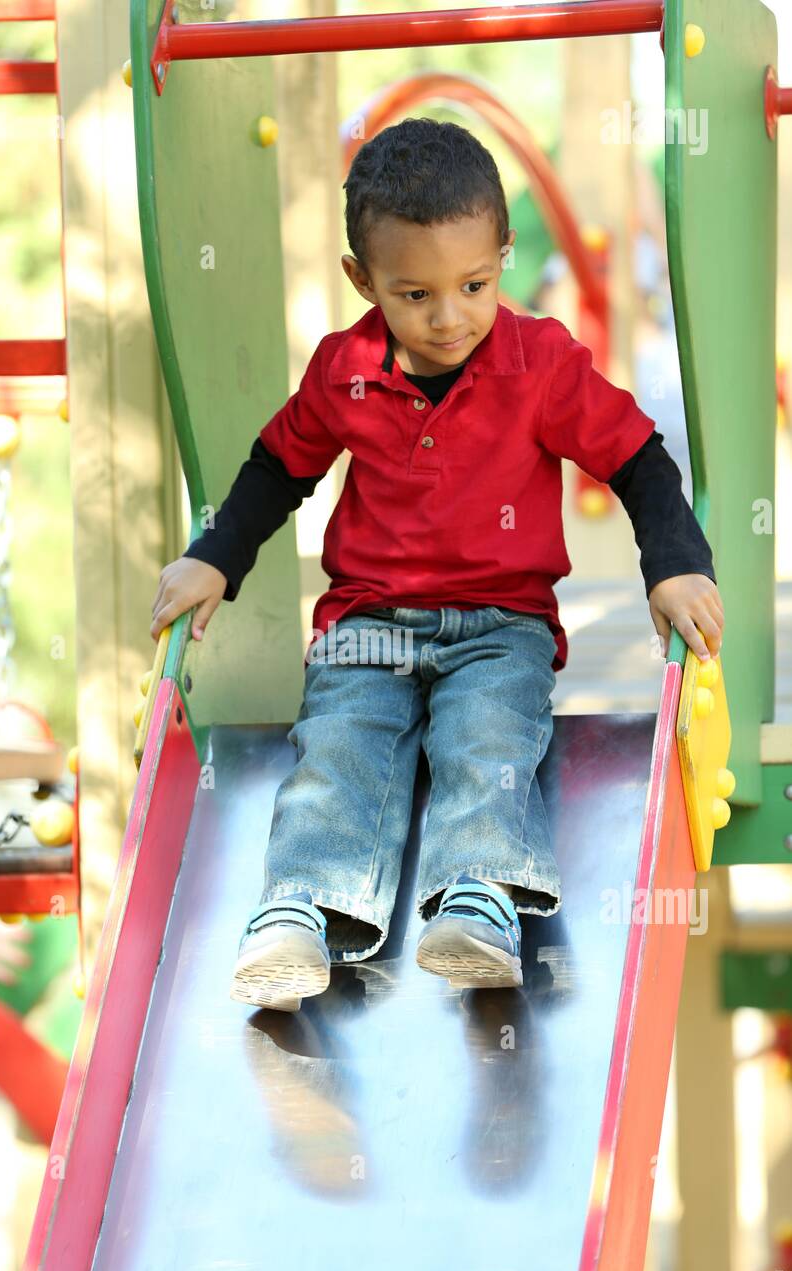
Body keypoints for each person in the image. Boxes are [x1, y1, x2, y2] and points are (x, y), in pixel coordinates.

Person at [149, 118, 724, 1012]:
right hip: (368, 620)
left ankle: (478, 899)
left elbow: (637, 457)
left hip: (502, 625)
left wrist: (673, 564)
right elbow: (280, 468)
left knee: (488, 744)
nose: (449, 316)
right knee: (334, 749)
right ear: (362, 281)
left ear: (504, 252)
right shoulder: (344, 369)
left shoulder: (540, 363)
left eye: (475, 285)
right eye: (414, 294)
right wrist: (215, 558)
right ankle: (296, 912)